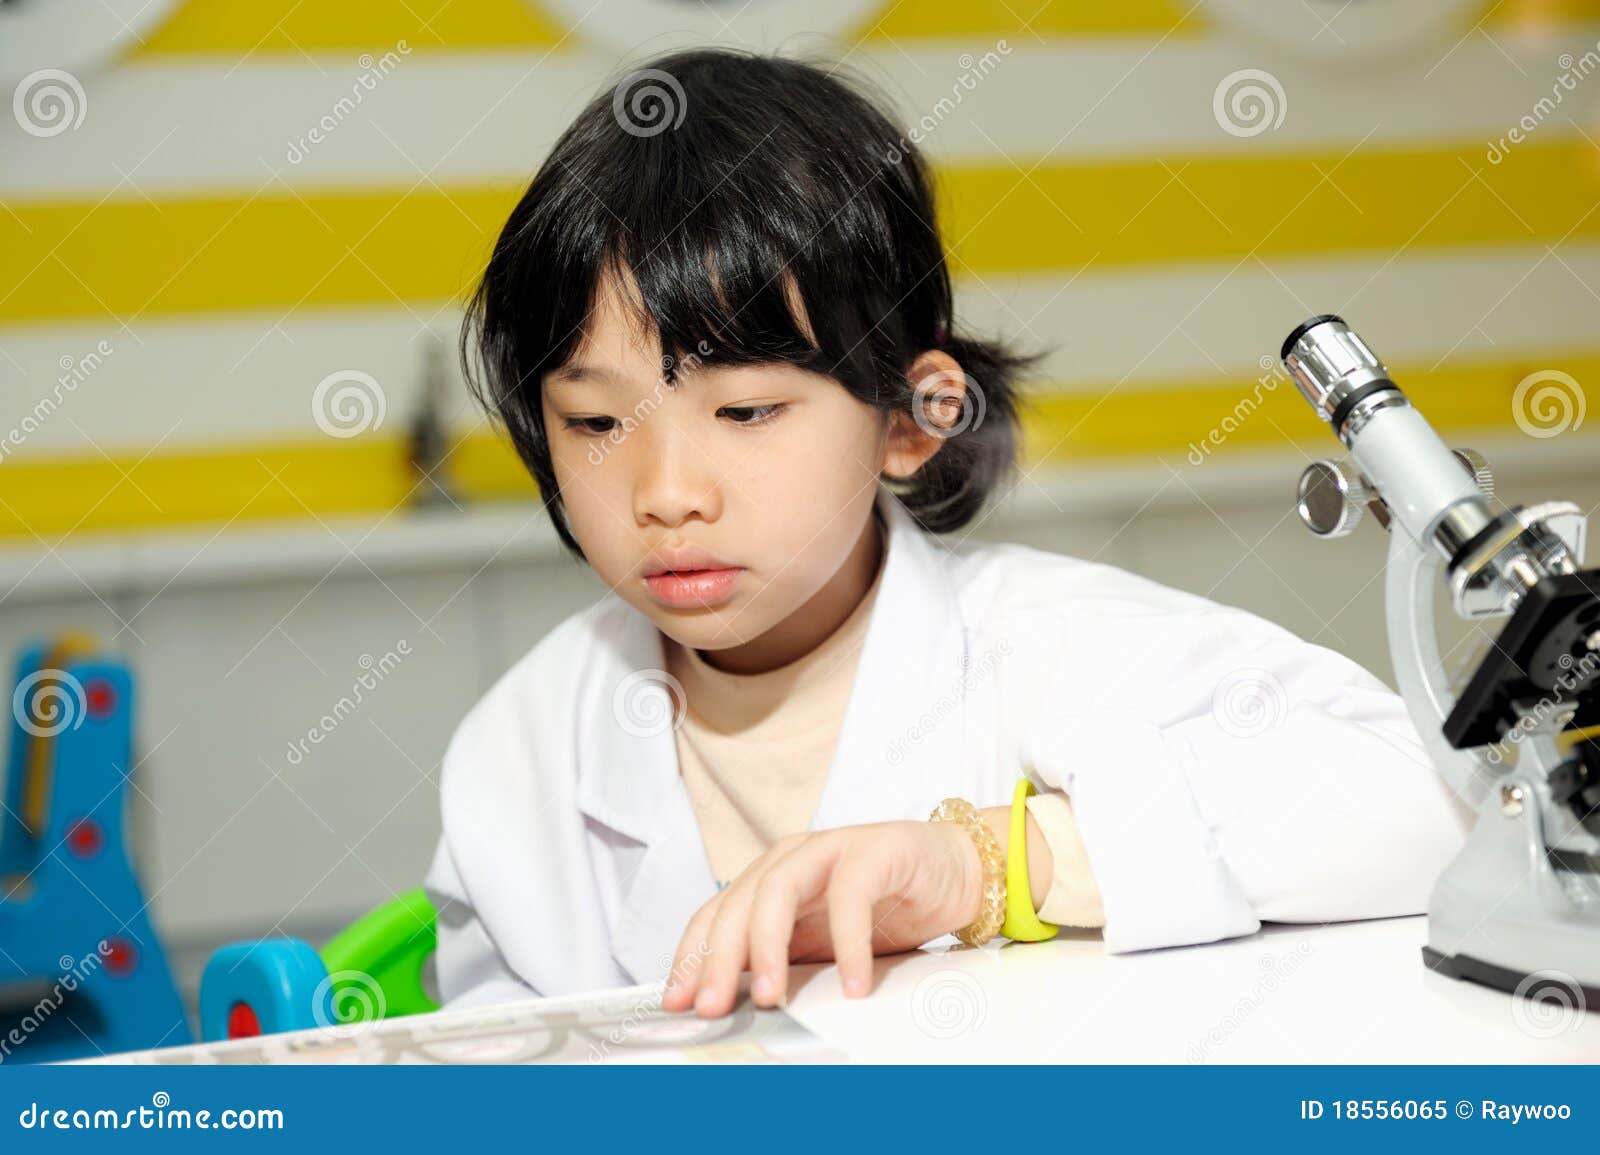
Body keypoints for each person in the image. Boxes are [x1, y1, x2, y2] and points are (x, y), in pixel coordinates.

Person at [423, 46, 1473, 1019]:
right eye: (597, 422)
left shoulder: (1054, 644)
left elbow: (1437, 808)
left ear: (911, 418)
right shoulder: (522, 750)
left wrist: (995, 865)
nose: (665, 492)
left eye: (744, 413)